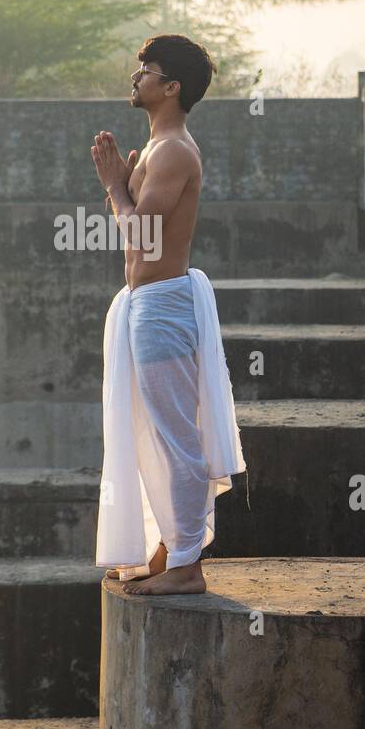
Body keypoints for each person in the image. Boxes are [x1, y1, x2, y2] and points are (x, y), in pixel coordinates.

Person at [91, 33, 246, 596]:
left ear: (172, 87)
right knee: (153, 435)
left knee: (176, 436)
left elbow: (144, 236)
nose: (137, 79)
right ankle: (169, 546)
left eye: (147, 71)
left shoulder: (175, 150)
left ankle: (187, 565)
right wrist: (123, 184)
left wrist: (113, 185)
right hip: (146, 304)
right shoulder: (157, 148)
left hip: (162, 306)